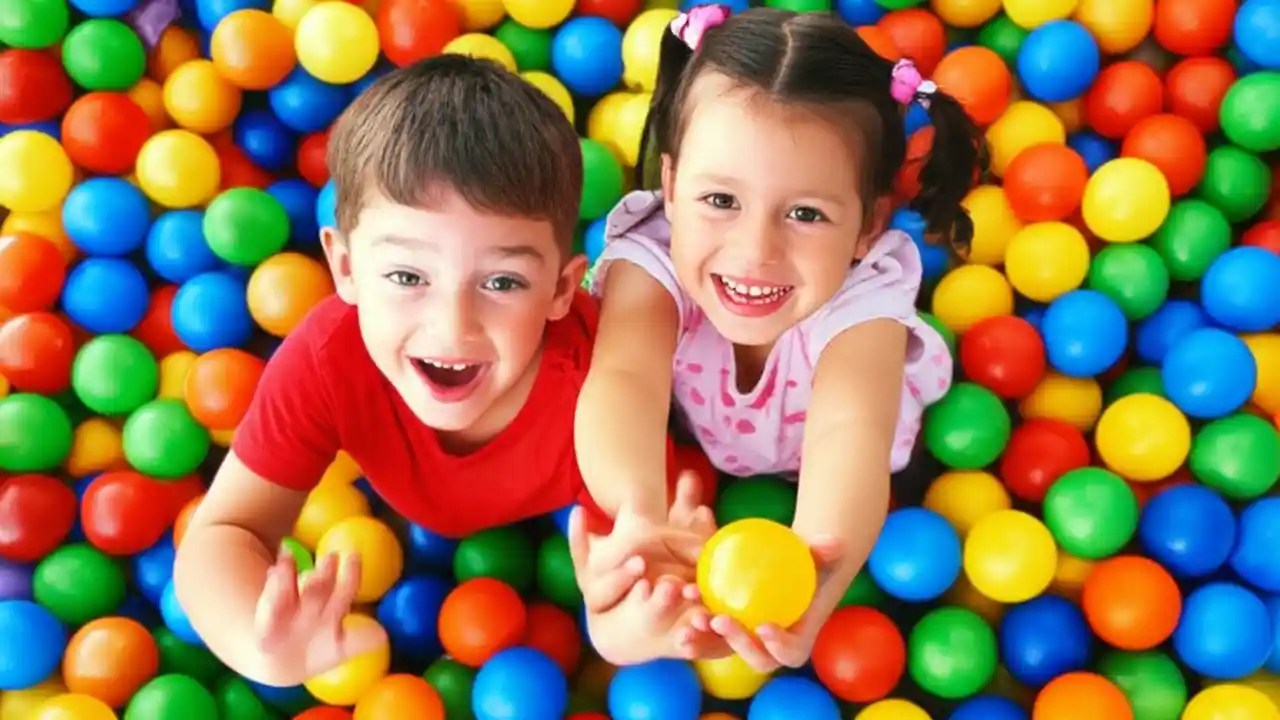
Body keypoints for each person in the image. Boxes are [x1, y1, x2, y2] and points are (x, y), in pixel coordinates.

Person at [174, 55, 712, 687]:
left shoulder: (605, 392)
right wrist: (260, 643)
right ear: (344, 269)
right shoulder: (327, 360)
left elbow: (639, 597)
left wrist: (630, 625)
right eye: (407, 277)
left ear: (563, 290)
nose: (453, 326)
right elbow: (224, 530)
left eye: (503, 281)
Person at [575, 4, 985, 672]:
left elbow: (848, 432)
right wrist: (639, 512)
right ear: (672, 187)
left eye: (805, 213)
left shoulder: (865, 297)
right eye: (721, 201)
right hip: (698, 459)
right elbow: (624, 378)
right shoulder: (647, 258)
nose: (754, 250)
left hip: (850, 473)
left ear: (868, 224)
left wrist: (815, 563)